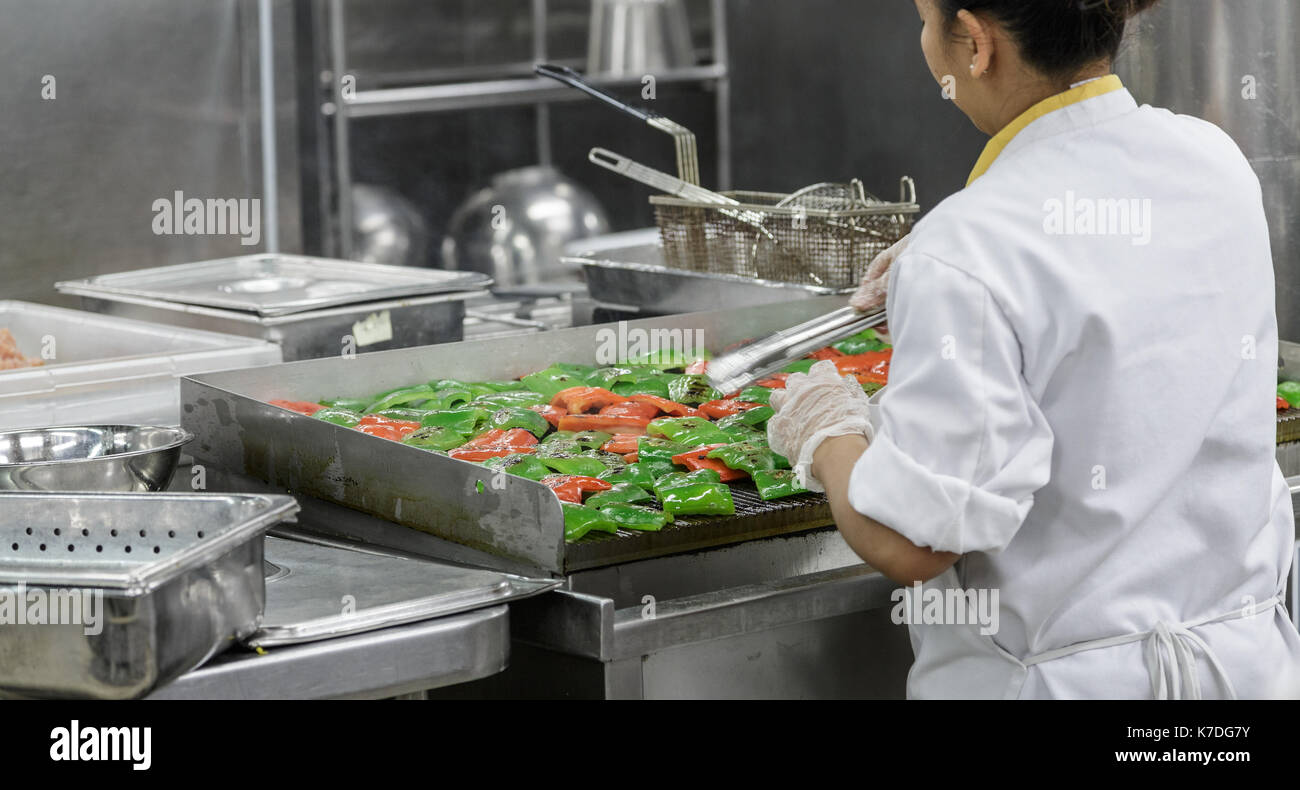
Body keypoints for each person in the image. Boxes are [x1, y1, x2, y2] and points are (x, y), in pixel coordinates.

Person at [767, 0, 1300, 699]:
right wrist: (956, 279)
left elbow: (912, 542)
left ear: (977, 44)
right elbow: (1123, 288)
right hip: (1244, 678)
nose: (925, 43)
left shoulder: (969, 245)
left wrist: (828, 430)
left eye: (924, 20)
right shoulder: (1214, 159)